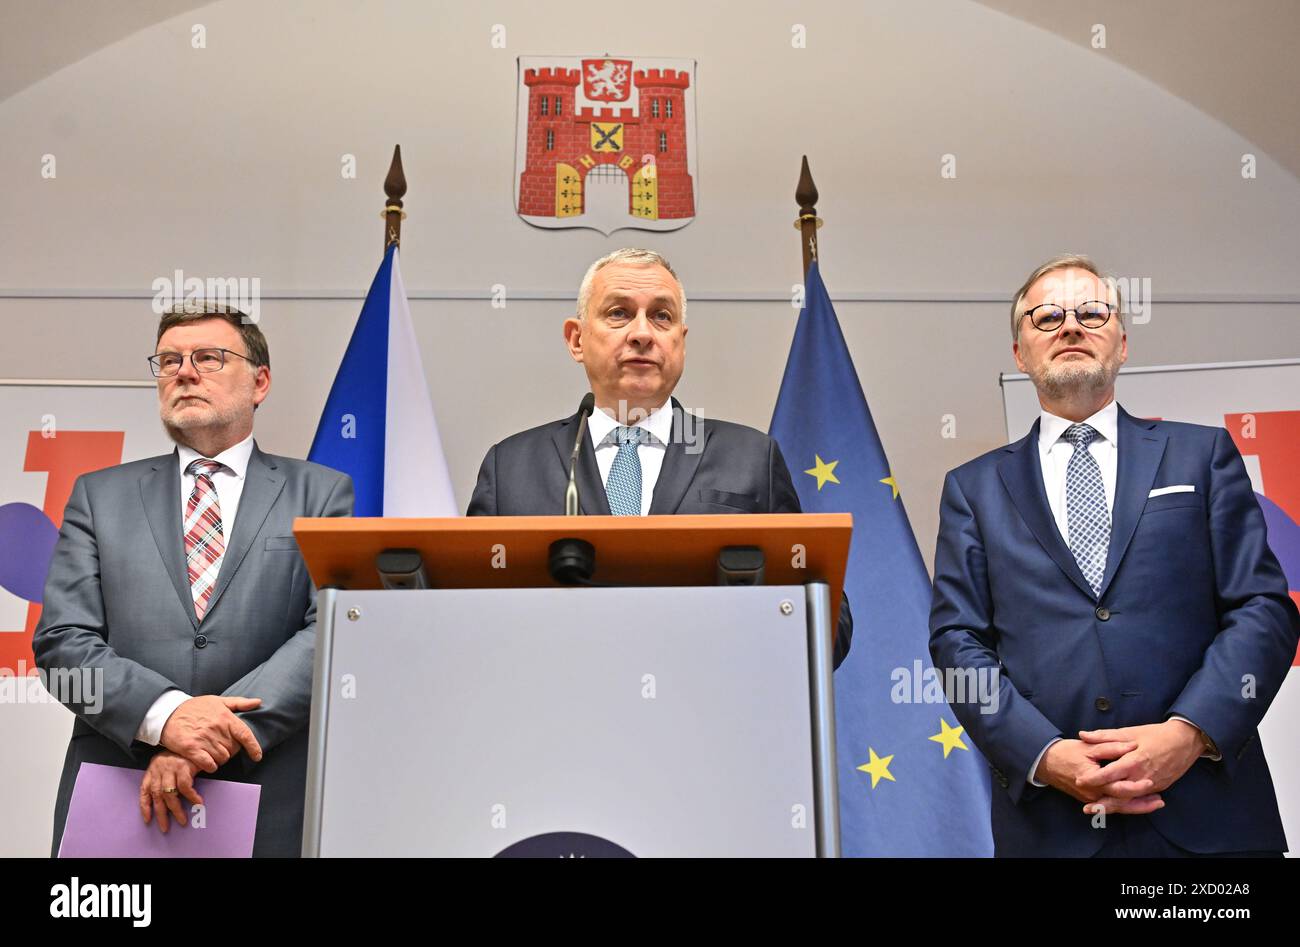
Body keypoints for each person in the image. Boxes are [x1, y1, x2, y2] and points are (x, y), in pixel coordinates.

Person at [929, 254, 1299, 856]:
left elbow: (1263, 608)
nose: (1070, 326)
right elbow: (957, 642)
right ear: (1019, 353)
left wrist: (1190, 734)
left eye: (1091, 312)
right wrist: (1045, 756)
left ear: (1121, 343)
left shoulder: (1201, 456)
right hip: (1052, 825)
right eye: (1046, 316)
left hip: (1209, 816)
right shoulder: (972, 489)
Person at [34, 302, 353, 857]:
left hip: (266, 792)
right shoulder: (98, 496)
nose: (183, 371)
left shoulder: (321, 494)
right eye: (169, 360)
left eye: (209, 357)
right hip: (120, 789)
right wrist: (165, 718)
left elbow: (329, 631)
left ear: (260, 381)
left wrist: (202, 739)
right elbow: (63, 646)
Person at [467, 247, 852, 667]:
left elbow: (829, 627)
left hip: (711, 714)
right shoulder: (512, 467)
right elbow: (467, 623)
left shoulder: (750, 457)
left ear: (680, 341)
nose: (642, 333)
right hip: (557, 714)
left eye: (661, 316)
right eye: (618, 313)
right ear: (576, 340)